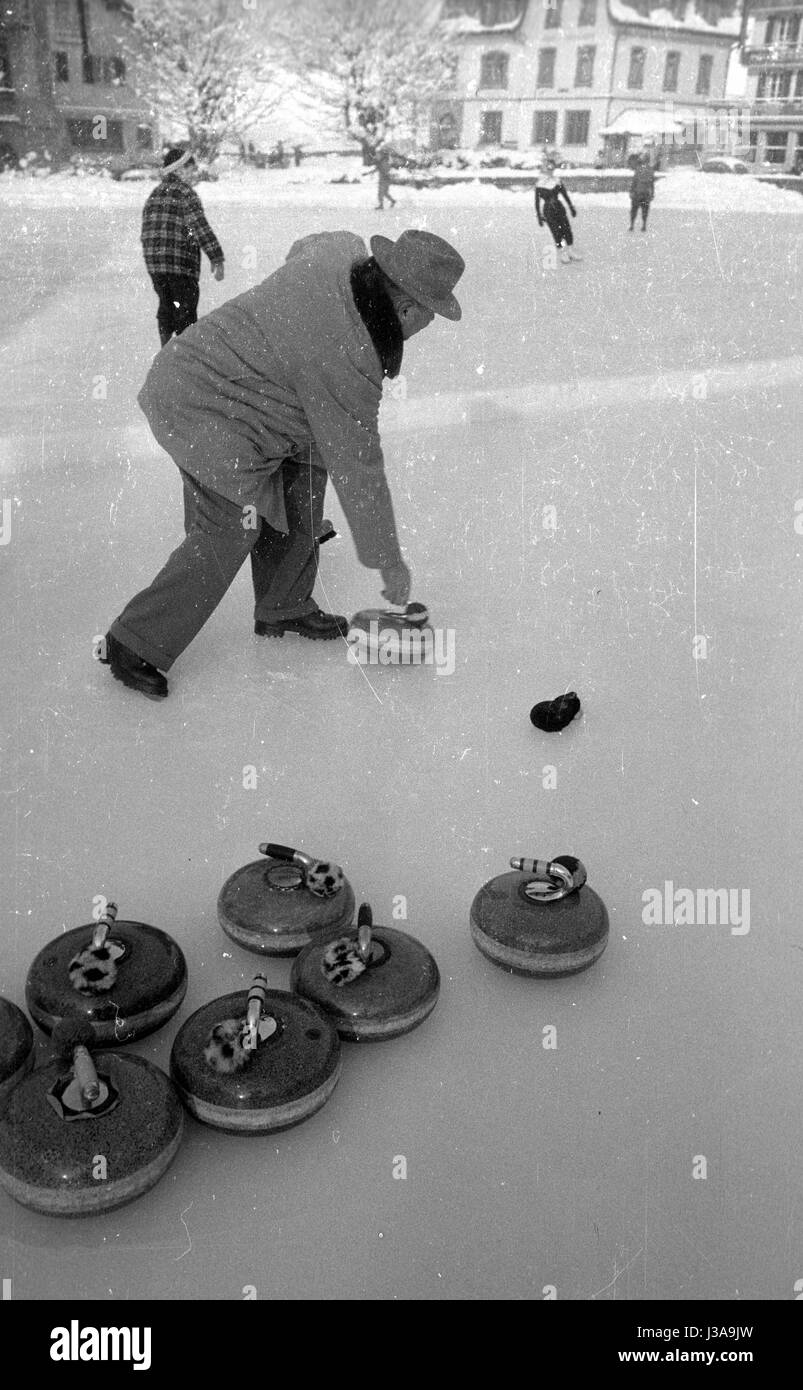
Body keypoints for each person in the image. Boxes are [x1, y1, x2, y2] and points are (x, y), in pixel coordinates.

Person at [100, 229, 465, 701]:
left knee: (310, 462)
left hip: (228, 383)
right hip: (199, 403)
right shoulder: (350, 361)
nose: (425, 326)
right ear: (408, 308)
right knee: (230, 526)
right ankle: (134, 641)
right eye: (430, 315)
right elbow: (360, 469)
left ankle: (283, 604)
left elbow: (302, 247)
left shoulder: (342, 250)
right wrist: (388, 561)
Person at [141, 147, 225, 346]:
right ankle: (185, 355)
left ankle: (166, 345)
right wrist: (217, 257)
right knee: (185, 310)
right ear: (178, 170)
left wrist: (155, 258)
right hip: (180, 264)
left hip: (156, 265)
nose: (195, 173)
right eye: (191, 169)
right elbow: (199, 226)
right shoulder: (185, 193)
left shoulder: (154, 194)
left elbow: (147, 230)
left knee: (167, 304)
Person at [535, 159, 581, 263]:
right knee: (556, 232)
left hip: (559, 208)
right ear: (544, 169)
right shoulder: (540, 184)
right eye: (548, 168)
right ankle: (562, 253)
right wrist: (539, 216)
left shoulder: (557, 181)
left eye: (552, 168)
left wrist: (571, 207)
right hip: (548, 211)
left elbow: (565, 195)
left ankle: (570, 251)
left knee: (567, 229)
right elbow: (537, 202)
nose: (550, 170)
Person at [629, 154, 655, 232]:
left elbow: (634, 182)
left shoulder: (638, 169)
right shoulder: (650, 170)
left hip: (637, 193)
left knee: (634, 210)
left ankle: (632, 225)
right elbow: (652, 183)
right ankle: (643, 225)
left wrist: (631, 191)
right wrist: (652, 193)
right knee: (645, 210)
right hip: (646, 194)